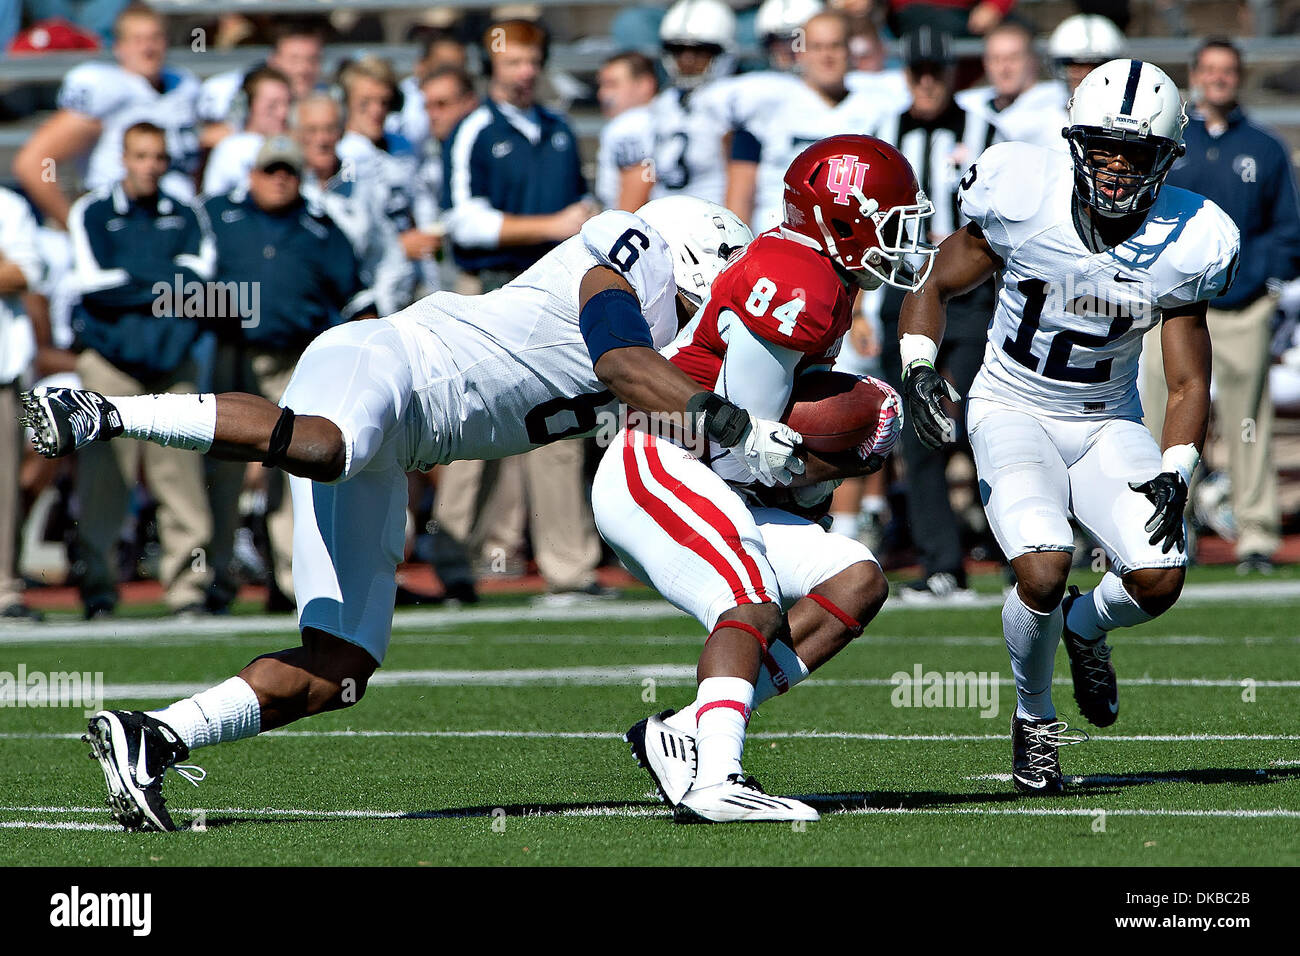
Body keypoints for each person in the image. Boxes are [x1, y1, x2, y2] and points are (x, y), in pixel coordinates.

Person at [22, 197, 806, 831]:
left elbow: (674, 421)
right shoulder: (619, 267)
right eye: (725, 284)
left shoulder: (669, 343)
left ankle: (153, 737)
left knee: (342, 667)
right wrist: (736, 423)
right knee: (328, 444)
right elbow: (620, 362)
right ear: (693, 256)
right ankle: (102, 410)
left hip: (396, 447)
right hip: (384, 364)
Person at [899, 60, 1240, 792]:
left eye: (1136, 154)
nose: (1117, 170)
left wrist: (1178, 471)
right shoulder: (1023, 193)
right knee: (1043, 565)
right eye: (1103, 149)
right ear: (1075, 144)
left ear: (1166, 158)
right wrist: (920, 364)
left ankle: (1087, 629)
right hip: (1012, 407)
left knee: (1159, 577)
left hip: (1106, 420)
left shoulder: (1191, 235)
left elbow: (1187, 380)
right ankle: (1034, 717)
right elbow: (934, 275)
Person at [607, 137, 930, 822]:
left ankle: (688, 731)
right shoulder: (795, 277)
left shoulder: (819, 276)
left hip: (709, 470)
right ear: (844, 219)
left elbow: (763, 450)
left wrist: (833, 465)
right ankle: (717, 779)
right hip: (662, 458)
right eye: (891, 222)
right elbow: (743, 444)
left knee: (857, 578)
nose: (904, 242)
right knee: (749, 601)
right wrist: (843, 457)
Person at [440, 17, 605, 601]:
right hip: (488, 285)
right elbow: (463, 219)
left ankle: (569, 567)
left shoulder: (557, 129)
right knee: (466, 424)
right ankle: (452, 560)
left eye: (532, 60)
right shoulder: (474, 131)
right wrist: (552, 225)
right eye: (513, 61)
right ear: (493, 68)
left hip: (549, 289)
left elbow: (575, 205)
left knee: (561, 425)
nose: (525, 71)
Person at [202, 135, 369, 613]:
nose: (279, 179)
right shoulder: (218, 217)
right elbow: (187, 282)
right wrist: (221, 311)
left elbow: (353, 293)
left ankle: (293, 584)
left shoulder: (318, 225)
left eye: (288, 172)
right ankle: (213, 581)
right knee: (224, 469)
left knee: (297, 469)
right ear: (252, 175)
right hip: (235, 355)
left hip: (301, 358)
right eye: (270, 170)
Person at [1152, 38, 1300, 574]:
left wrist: (1253, 277)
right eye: (1209, 70)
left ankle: (1256, 534)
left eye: (1228, 71)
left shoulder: (1263, 147)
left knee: (1247, 424)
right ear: (1194, 74)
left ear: (1238, 78)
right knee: (1153, 416)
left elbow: (1288, 232)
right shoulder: (1170, 140)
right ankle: (1159, 532)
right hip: (1169, 308)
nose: (1217, 79)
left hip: (1240, 310)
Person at [63, 121, 216, 619]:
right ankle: (99, 590)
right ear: (123, 159)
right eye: (141, 155)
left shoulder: (186, 212)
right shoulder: (93, 211)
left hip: (172, 362)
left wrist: (138, 286)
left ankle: (189, 590)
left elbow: (202, 283)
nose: (150, 166)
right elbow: (94, 285)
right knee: (105, 478)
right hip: (109, 362)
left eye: (158, 156)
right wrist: (163, 286)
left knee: (182, 479)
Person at [874, 26, 993, 602]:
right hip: (901, 298)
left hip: (969, 304)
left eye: (935, 70)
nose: (926, 80)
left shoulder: (986, 132)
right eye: (917, 69)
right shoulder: (882, 134)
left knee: (970, 421)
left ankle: (1018, 550)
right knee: (915, 433)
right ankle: (941, 564)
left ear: (951, 74)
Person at [13, 2, 200, 226]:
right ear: (119, 46)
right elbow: (36, 161)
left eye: (155, 38)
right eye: (137, 40)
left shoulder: (184, 85)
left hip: (178, 221)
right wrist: (72, 225)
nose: (147, 48)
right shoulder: (106, 89)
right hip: (120, 224)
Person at [724, 11, 888, 233]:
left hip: (851, 242)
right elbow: (740, 196)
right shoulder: (766, 104)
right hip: (777, 238)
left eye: (835, 46)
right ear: (800, 53)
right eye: (817, 47)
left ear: (850, 51)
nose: (826, 56)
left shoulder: (876, 108)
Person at [0, 187, 45, 621]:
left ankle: (3, 588)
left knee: (2, 486)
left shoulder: (7, 206)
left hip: (2, 367)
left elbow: (23, 274)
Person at [196, 22, 324, 151]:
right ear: (273, 60)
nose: (302, 69)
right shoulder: (230, 90)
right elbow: (209, 137)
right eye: (294, 59)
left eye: (312, 60)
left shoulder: (328, 97)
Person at [956, 20, 1063, 155]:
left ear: (1032, 60)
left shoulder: (1058, 106)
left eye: (1013, 58)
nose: (1004, 68)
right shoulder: (967, 105)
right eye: (996, 59)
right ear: (985, 63)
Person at [200, 66, 292, 197]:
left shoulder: (296, 144)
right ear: (248, 105)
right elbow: (213, 200)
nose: (283, 113)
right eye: (272, 106)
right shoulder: (231, 148)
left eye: (287, 103)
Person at [593, 52, 658, 212]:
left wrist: (619, 232)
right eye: (602, 85)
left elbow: (639, 178)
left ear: (644, 85)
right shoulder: (664, 116)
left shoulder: (628, 125)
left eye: (612, 84)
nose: (602, 94)